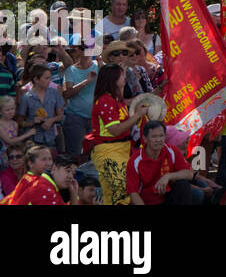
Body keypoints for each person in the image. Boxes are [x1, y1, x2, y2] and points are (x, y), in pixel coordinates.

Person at [84, 63, 147, 205]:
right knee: (119, 191)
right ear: (112, 78)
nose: (125, 77)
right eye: (121, 75)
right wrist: (137, 115)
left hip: (122, 149)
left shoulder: (118, 100)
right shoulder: (105, 101)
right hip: (108, 151)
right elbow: (116, 130)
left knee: (118, 193)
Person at [127, 120, 202, 204]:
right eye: (154, 136)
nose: (158, 140)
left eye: (161, 136)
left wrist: (168, 176)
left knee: (184, 185)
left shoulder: (172, 150)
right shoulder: (135, 161)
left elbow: (189, 174)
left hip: (167, 198)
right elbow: (133, 193)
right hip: (146, 201)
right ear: (145, 139)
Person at [59, 37, 96, 159]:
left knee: (94, 154)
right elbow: (66, 94)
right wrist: (86, 82)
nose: (86, 51)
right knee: (75, 155)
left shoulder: (100, 66)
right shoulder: (71, 70)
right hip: (75, 117)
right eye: (83, 48)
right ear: (78, 50)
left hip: (95, 117)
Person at [18, 63, 64, 151]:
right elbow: (20, 122)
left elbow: (61, 116)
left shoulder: (54, 93)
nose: (50, 81)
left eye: (50, 77)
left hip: (51, 139)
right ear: (36, 79)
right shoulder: (26, 98)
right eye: (46, 78)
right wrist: (32, 122)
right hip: (32, 141)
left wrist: (51, 120)